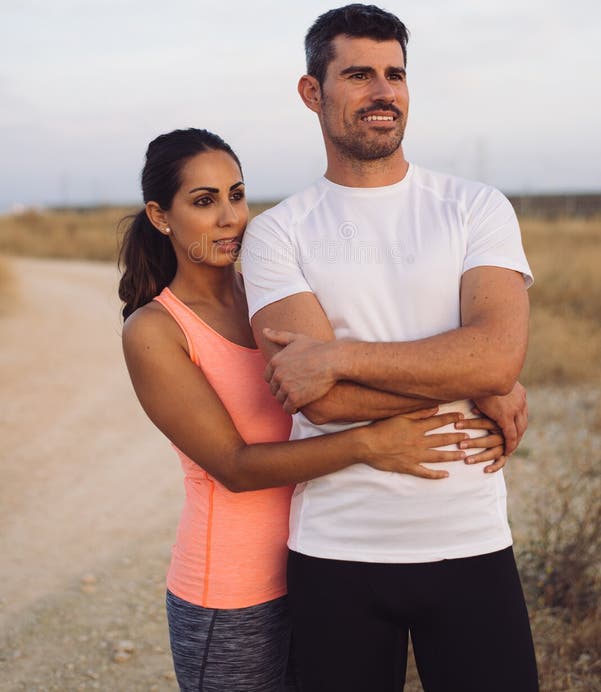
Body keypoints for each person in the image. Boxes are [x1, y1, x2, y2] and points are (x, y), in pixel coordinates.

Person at [118, 128, 501, 692]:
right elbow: (235, 466)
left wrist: (492, 384)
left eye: (237, 195)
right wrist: (368, 445)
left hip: (316, 567)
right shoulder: (154, 329)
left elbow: (383, 361)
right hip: (231, 593)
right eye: (204, 202)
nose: (230, 218)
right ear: (160, 216)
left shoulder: (274, 295)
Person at [240, 4, 539, 692]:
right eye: (358, 75)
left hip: (470, 543)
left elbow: (496, 357)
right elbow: (316, 398)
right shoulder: (278, 233)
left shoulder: (474, 206)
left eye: (395, 75)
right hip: (336, 551)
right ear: (312, 92)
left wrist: (339, 354)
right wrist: (467, 376)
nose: (383, 92)